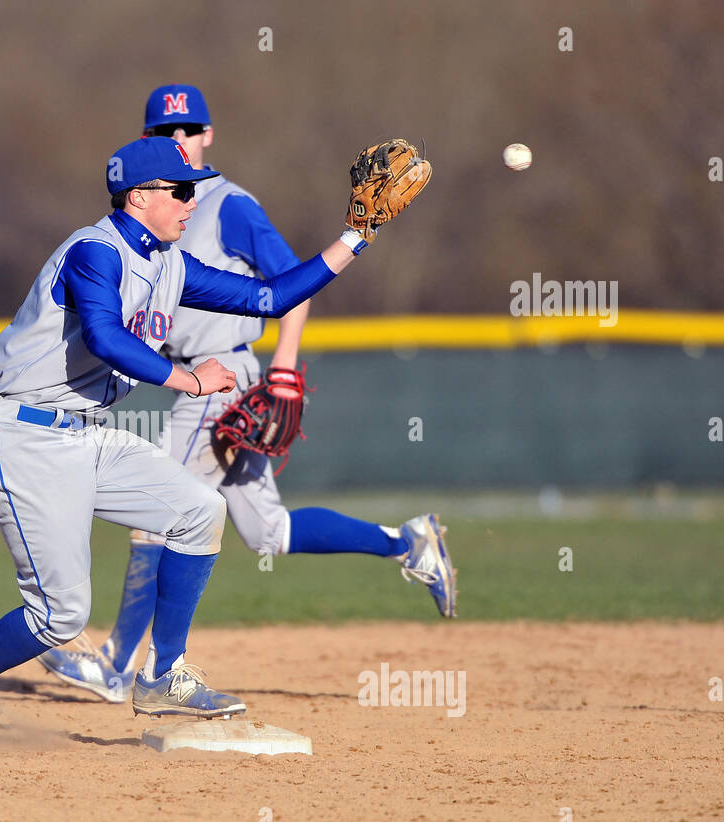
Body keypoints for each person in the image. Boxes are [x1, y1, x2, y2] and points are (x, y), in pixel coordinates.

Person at [0, 134, 400, 746]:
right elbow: (103, 336)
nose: (191, 202)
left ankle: (162, 674)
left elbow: (271, 297)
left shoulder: (168, 263)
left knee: (201, 511)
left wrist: (356, 235)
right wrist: (189, 378)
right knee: (61, 616)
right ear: (140, 197)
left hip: (86, 435)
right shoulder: (96, 251)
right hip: (23, 439)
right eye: (181, 192)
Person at [36, 86, 457, 704]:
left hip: (223, 383)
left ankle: (119, 664)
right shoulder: (152, 209)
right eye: (164, 131)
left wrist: (284, 368)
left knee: (159, 518)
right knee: (269, 532)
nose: (179, 138)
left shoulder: (229, 206)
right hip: (207, 378)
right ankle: (407, 541)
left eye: (191, 127)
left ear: (209, 134)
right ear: (150, 140)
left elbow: (292, 286)